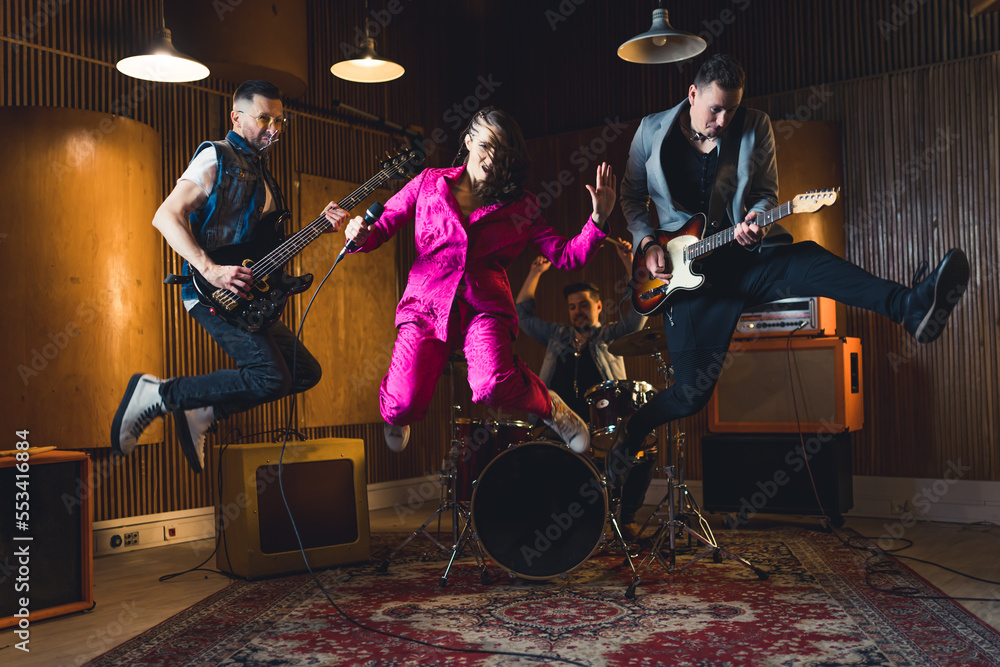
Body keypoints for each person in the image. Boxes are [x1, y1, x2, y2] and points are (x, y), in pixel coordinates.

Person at [609, 54, 970, 484]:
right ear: (692, 94)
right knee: (689, 396)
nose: (723, 119)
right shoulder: (650, 130)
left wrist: (754, 223)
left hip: (739, 258)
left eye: (731, 109)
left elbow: (764, 193)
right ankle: (634, 428)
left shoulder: (755, 125)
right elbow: (632, 197)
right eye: (715, 109)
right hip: (681, 280)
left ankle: (908, 306)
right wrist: (647, 240)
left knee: (807, 260)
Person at [327, 107, 617, 454]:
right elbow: (381, 227)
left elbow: (567, 256)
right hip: (425, 304)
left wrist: (598, 220)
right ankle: (397, 414)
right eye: (485, 146)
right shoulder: (428, 183)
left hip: (485, 307)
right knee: (401, 403)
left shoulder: (521, 205)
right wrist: (359, 235)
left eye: (502, 151)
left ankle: (549, 404)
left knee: (492, 385)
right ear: (468, 141)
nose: (491, 158)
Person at [110, 80, 348, 473]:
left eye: (280, 121)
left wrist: (319, 227)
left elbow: (261, 249)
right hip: (211, 293)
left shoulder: (265, 176)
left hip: (248, 298)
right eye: (265, 119)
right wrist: (209, 268)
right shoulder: (215, 158)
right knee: (271, 378)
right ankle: (159, 393)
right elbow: (165, 216)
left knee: (304, 372)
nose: (274, 129)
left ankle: (203, 411)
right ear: (237, 117)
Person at [515, 245, 655, 537]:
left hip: (604, 423)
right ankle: (554, 523)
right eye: (572, 306)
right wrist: (534, 273)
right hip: (559, 423)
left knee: (644, 451)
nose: (578, 311)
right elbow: (522, 316)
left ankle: (626, 519)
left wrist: (631, 265)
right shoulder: (557, 336)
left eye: (584, 304)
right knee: (538, 460)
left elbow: (638, 316)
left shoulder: (610, 335)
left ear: (599, 306)